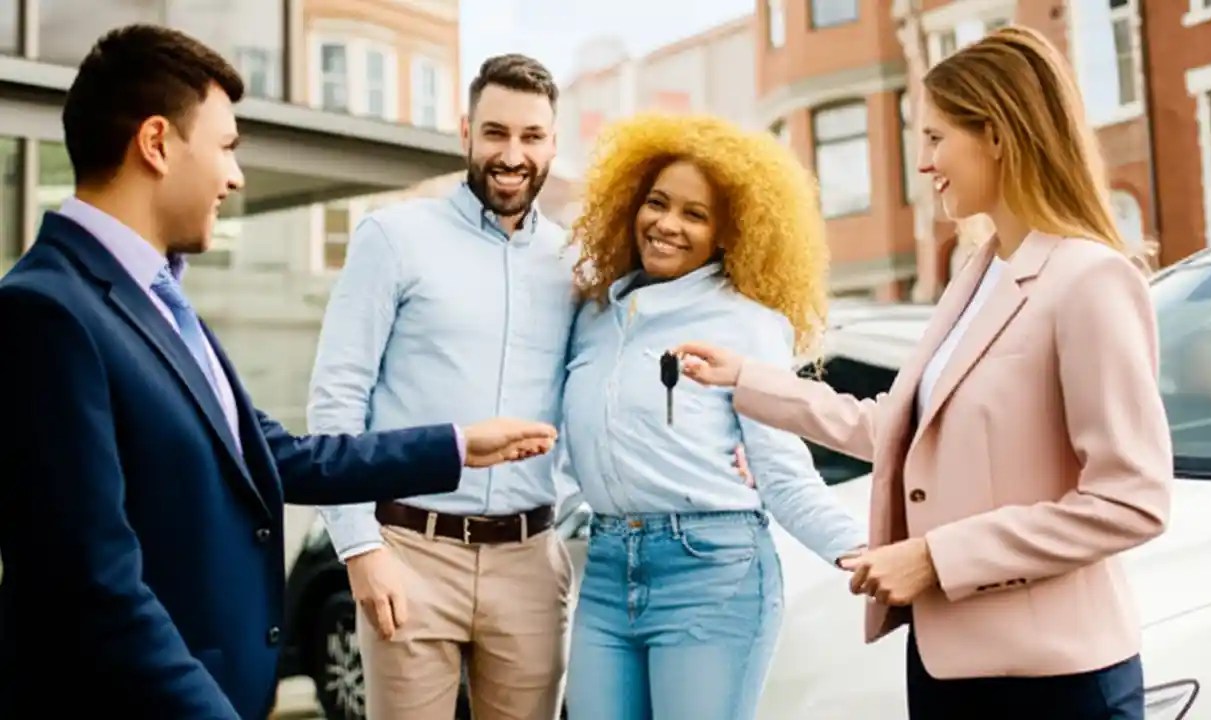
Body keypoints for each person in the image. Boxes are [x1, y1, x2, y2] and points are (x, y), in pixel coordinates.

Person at [0, 25, 557, 720]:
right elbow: (94, 583)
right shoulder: (48, 312)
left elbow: (280, 457)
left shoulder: (155, 298)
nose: (235, 176)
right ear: (156, 144)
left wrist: (456, 445)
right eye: (226, 147)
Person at [676, 26, 1172, 720]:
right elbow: (905, 431)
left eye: (935, 138)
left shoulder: (1090, 281)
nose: (922, 162)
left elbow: (1131, 499)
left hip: (1054, 681)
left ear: (997, 135)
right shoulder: (977, 274)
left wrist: (937, 557)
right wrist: (751, 381)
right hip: (949, 665)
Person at [560, 112, 867, 720]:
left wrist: (866, 554)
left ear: (728, 232)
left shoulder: (747, 323)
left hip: (711, 574)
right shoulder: (591, 318)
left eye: (695, 215)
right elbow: (566, 448)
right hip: (605, 571)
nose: (667, 225)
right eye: (657, 203)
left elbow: (783, 474)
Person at [306, 54, 577, 720]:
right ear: (465, 132)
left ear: (552, 145)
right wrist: (360, 548)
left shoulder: (575, 262)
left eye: (531, 136)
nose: (512, 154)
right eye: (495, 133)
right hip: (409, 549)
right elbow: (337, 399)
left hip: (530, 563)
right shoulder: (393, 239)